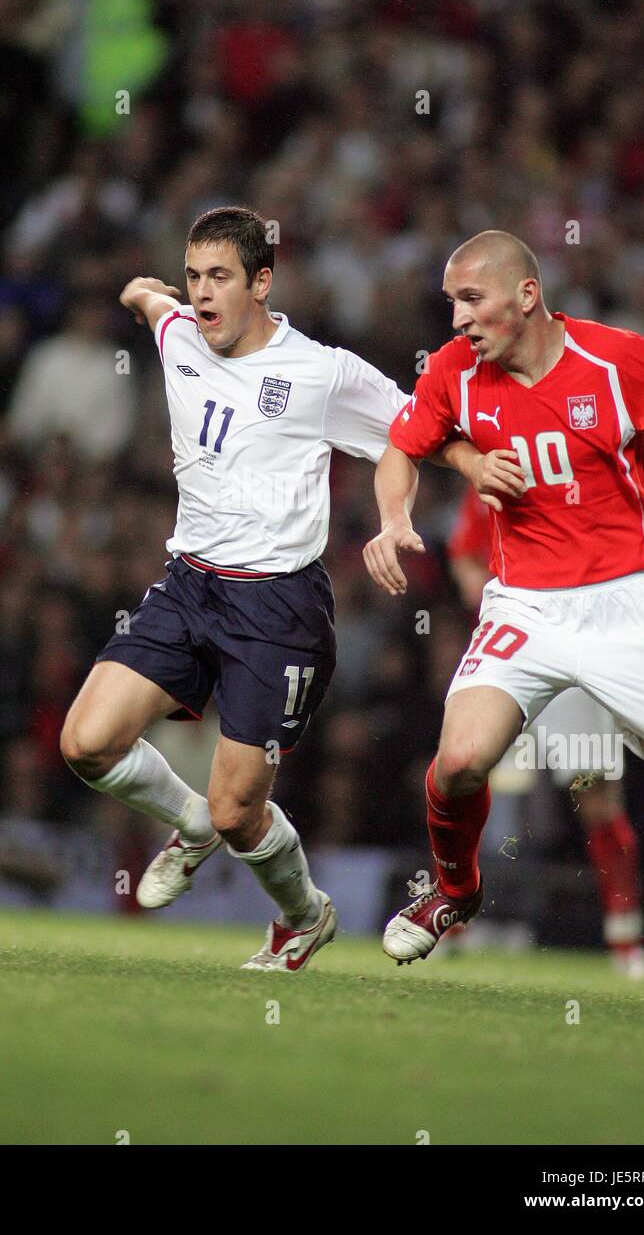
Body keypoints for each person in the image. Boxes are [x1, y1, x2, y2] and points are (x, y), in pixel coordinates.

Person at [60, 205, 420, 971]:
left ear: (262, 282)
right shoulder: (180, 333)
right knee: (85, 744)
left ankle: (302, 916)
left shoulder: (320, 372)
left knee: (239, 811)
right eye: (192, 277)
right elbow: (148, 302)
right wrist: (142, 292)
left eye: (219, 277)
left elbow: (409, 433)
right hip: (189, 585)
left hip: (278, 610)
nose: (201, 294)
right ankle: (187, 822)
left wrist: (393, 518)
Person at [363, 229, 644, 964]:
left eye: (470, 299)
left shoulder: (615, 360)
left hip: (630, 603)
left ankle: (631, 942)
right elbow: (402, 446)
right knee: (457, 760)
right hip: (525, 603)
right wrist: (394, 519)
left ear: (526, 295)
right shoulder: (454, 371)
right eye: (450, 301)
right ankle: (454, 890)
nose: (455, 320)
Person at [447, 485, 644, 978]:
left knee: (596, 797)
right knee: (464, 774)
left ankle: (626, 936)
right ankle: (454, 919)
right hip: (508, 656)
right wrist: (478, 588)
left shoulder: (582, 470)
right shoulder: (494, 477)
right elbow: (464, 553)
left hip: (576, 654)